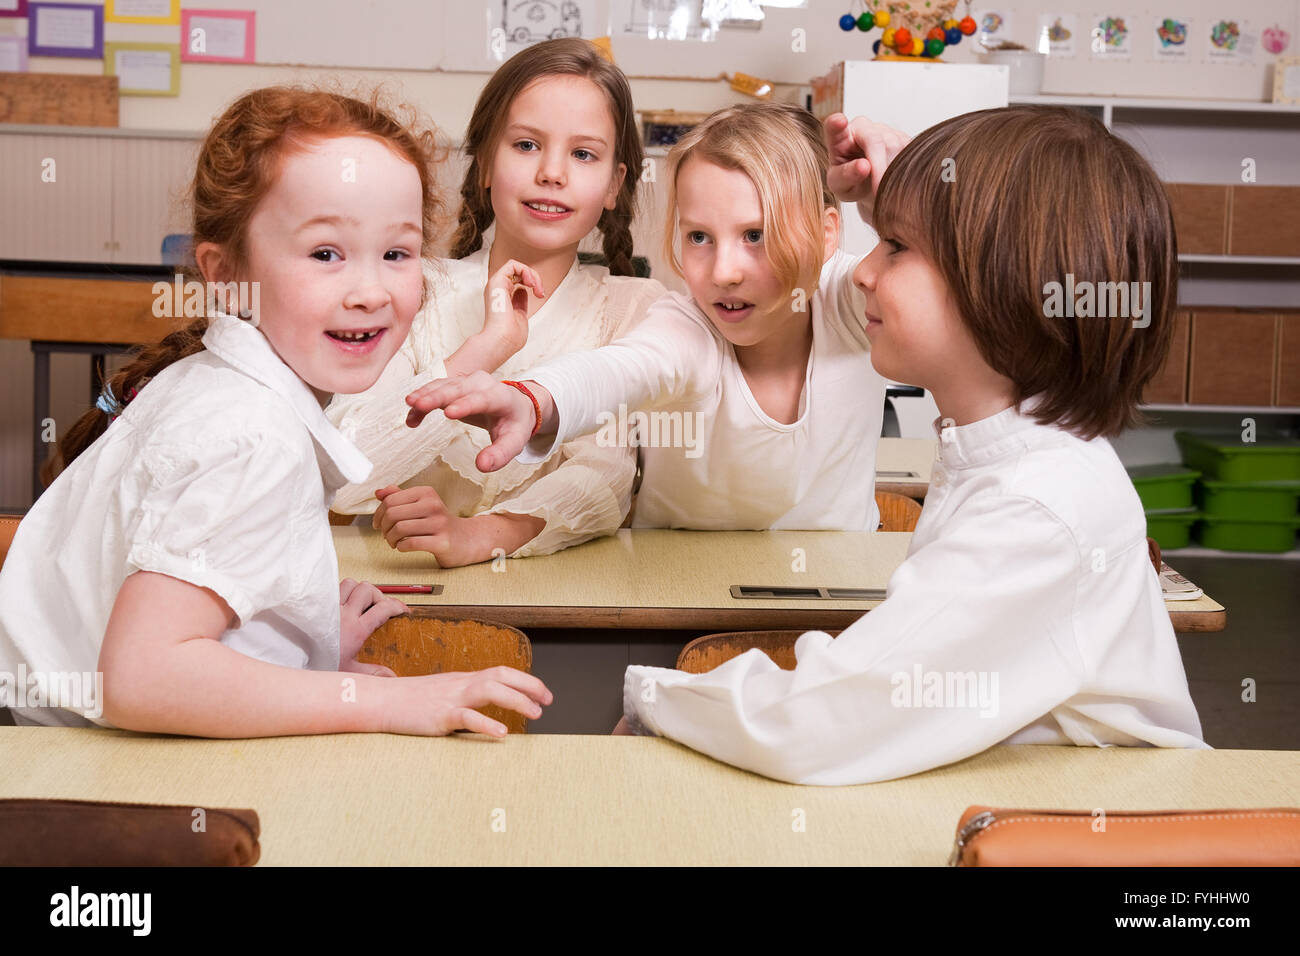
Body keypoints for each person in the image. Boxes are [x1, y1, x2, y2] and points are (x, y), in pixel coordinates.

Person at [423, 105, 1208, 784]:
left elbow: (833, 716)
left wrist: (652, 700)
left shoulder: (1037, 505)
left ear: (999, 287)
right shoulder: (1021, 461)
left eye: (895, 247)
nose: (863, 272)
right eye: (697, 235)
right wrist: (539, 395)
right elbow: (632, 365)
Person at [0, 87, 550, 736]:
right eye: (325, 253)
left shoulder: (219, 385)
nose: (369, 291)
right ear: (226, 272)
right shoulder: (251, 435)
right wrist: (383, 701)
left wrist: (290, 646)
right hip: (72, 787)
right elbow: (144, 677)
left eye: (396, 253)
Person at [405, 101, 890, 532]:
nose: (724, 272)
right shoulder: (688, 324)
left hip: (848, 608)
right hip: (678, 607)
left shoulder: (857, 301)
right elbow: (621, 369)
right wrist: (536, 400)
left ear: (827, 235)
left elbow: (953, 280)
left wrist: (895, 188)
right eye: (699, 236)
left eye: (756, 235)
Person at [325, 38, 665, 565]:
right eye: (526, 145)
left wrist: (480, 535)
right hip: (399, 594)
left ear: (614, 184)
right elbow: (347, 478)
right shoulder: (414, 286)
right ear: (484, 163)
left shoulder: (633, 308)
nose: (552, 172)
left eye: (583, 153)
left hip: (561, 601)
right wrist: (487, 347)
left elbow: (605, 479)